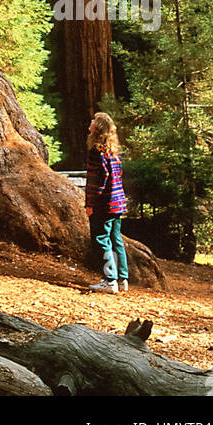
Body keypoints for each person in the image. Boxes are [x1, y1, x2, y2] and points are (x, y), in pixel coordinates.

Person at [85, 111, 128, 294]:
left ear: (98, 128)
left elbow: (98, 180)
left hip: (104, 203)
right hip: (117, 202)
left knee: (102, 239)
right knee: (116, 239)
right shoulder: (114, 152)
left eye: (94, 121)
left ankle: (110, 281)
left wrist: (90, 204)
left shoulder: (97, 151)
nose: (91, 122)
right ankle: (123, 279)